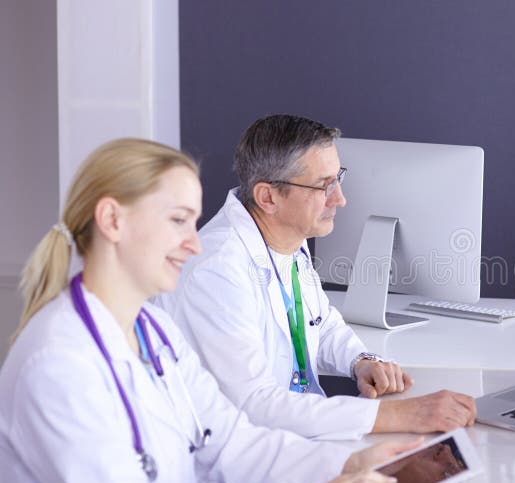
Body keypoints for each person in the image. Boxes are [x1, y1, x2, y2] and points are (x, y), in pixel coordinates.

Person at [0, 138, 419, 483]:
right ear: (112, 220)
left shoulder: (152, 329)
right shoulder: (57, 362)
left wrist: (349, 462)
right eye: (178, 220)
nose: (195, 242)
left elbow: (230, 440)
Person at [157, 114, 476, 440]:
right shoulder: (218, 270)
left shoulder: (284, 238)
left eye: (338, 179)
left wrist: (360, 360)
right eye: (324, 185)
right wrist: (399, 414)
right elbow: (253, 404)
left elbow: (319, 322)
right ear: (268, 197)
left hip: (295, 437)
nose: (340, 199)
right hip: (242, 459)